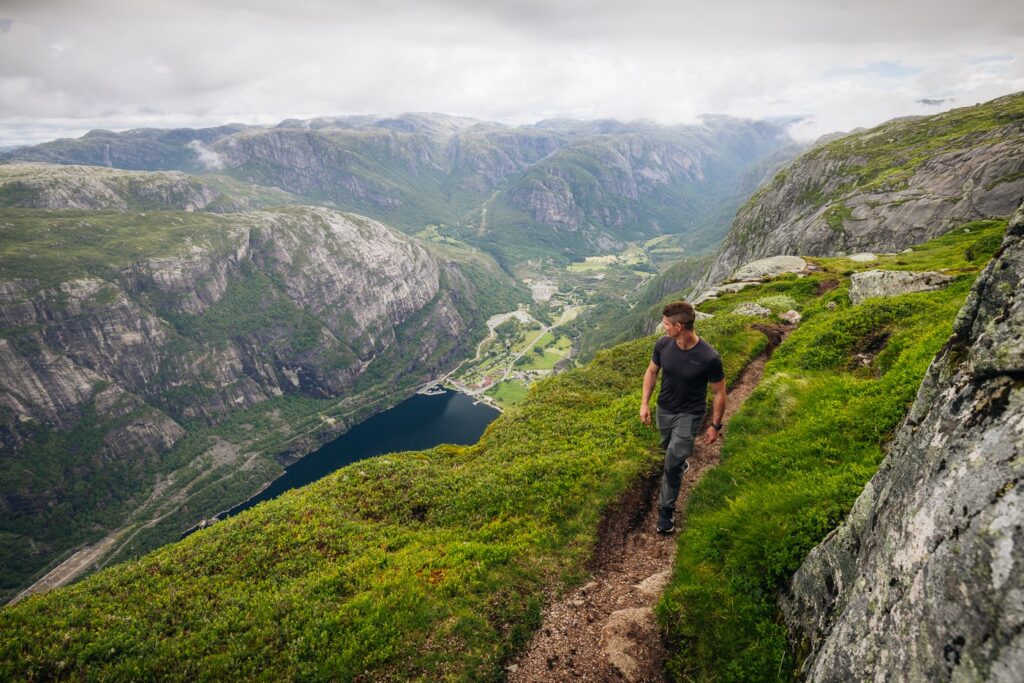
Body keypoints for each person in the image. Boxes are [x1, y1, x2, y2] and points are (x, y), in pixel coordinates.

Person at [640, 301, 726, 534]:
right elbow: (651, 372)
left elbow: (719, 393)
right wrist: (644, 403)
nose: (663, 327)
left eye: (666, 324)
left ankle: (665, 512)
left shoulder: (709, 357)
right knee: (668, 447)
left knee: (672, 462)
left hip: (690, 414)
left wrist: (715, 425)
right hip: (664, 409)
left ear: (679, 326)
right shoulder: (663, 345)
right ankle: (678, 461)